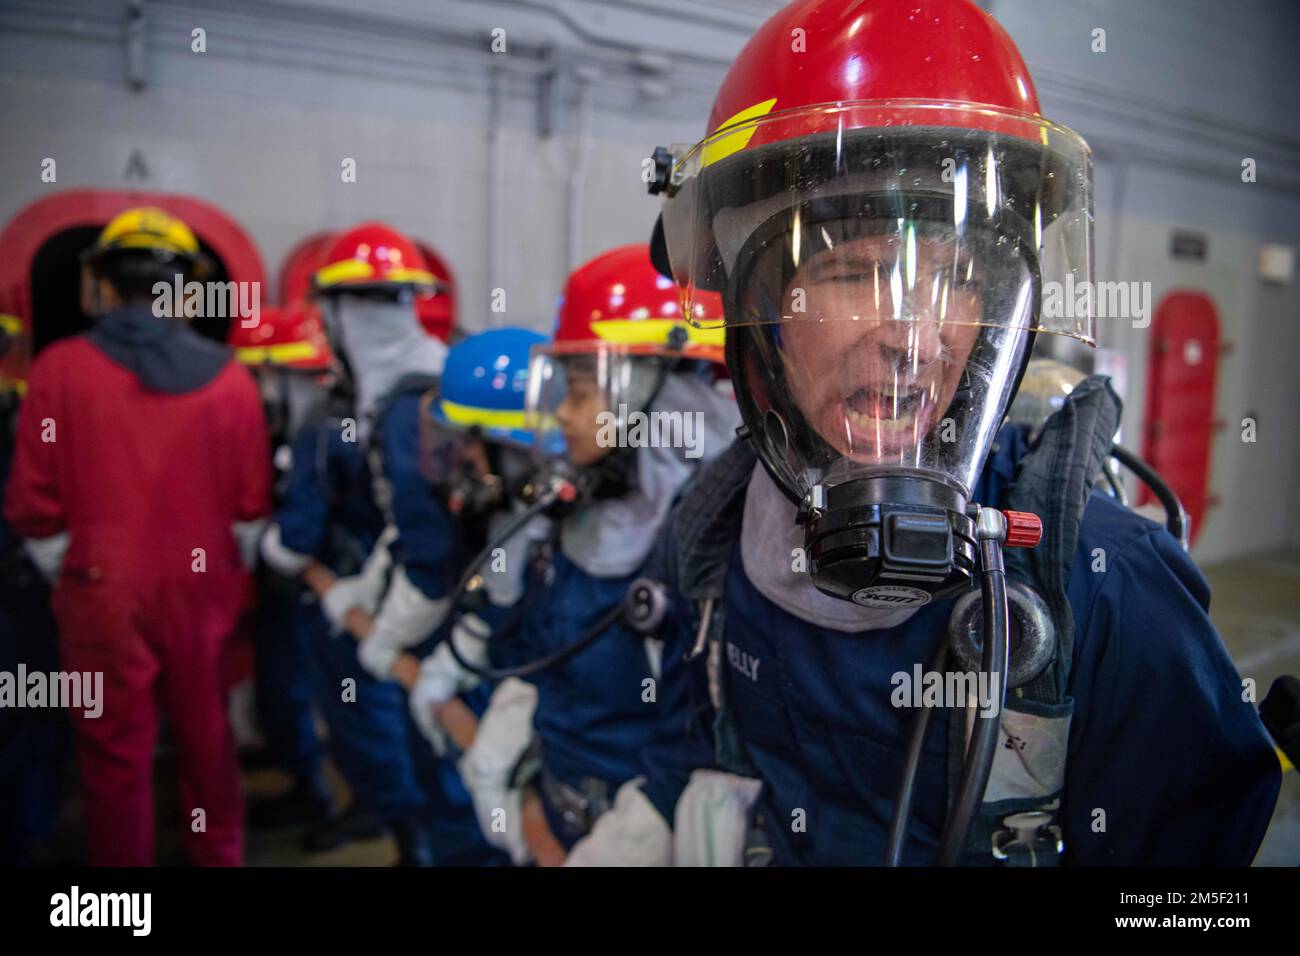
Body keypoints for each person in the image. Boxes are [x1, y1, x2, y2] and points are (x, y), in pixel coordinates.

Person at [567, 0, 1281, 866]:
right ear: (762, 313)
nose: (914, 335)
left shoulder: (1106, 587)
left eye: (956, 280)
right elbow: (691, 739)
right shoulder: (717, 530)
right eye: (853, 273)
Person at [4, 206, 271, 866]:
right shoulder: (231, 380)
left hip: (101, 591)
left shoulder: (58, 371)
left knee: (112, 756)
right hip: (203, 593)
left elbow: (33, 506)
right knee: (209, 743)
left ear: (102, 282)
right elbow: (251, 506)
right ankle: (219, 856)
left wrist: (78, 568)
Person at [458, 244, 738, 864]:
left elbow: (698, 754)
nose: (560, 411)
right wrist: (510, 765)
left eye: (581, 394)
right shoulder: (578, 511)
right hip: (556, 809)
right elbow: (542, 655)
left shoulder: (712, 548)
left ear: (659, 406)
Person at [259, 222, 455, 864]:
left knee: (441, 772)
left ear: (343, 314)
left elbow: (425, 550)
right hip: (425, 612)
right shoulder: (433, 379)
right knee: (431, 753)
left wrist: (384, 629)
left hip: (423, 620)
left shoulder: (404, 407)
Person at [228, 301, 337, 828]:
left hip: (309, 586)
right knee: (280, 683)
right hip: (284, 587)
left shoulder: (316, 429)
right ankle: (301, 774)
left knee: (301, 685)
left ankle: (320, 797)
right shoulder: (282, 426)